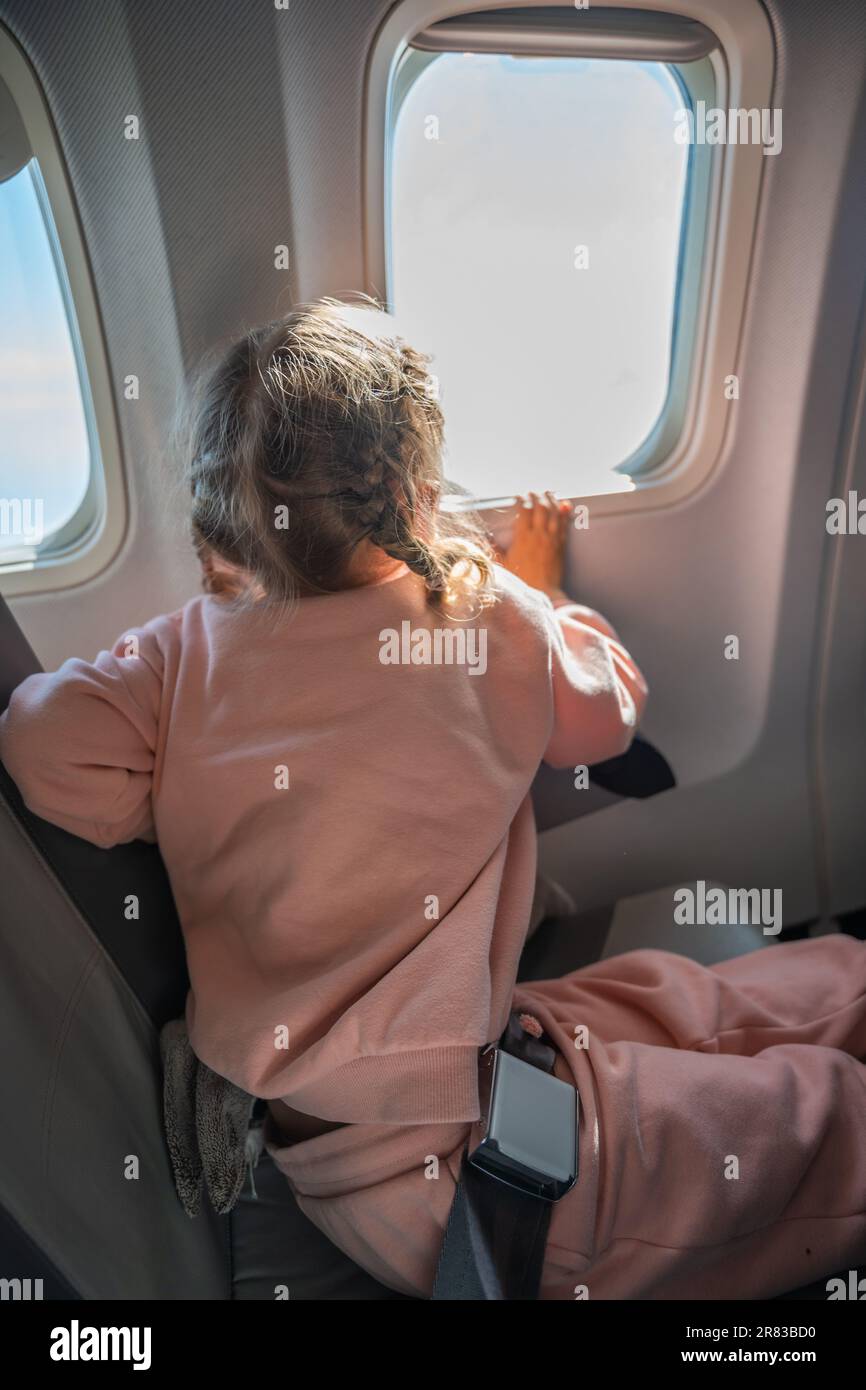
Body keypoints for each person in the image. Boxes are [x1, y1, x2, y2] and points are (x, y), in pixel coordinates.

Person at [1, 298, 863, 1300]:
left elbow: (40, 744)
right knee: (819, 1121)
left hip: (425, 1103)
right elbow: (605, 718)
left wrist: (171, 779)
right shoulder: (479, 616)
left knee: (743, 1000)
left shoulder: (177, 657)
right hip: (462, 1187)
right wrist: (536, 583)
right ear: (412, 487)